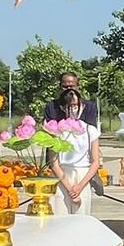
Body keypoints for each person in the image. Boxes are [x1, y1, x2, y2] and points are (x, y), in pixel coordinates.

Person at [46, 87, 100, 215]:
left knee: (81, 220)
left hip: (83, 177)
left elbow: (95, 161)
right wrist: (70, 188)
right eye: (70, 105)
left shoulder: (90, 130)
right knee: (60, 218)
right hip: (62, 178)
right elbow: (54, 163)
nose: (74, 109)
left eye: (76, 105)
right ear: (63, 108)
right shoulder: (55, 131)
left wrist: (80, 186)